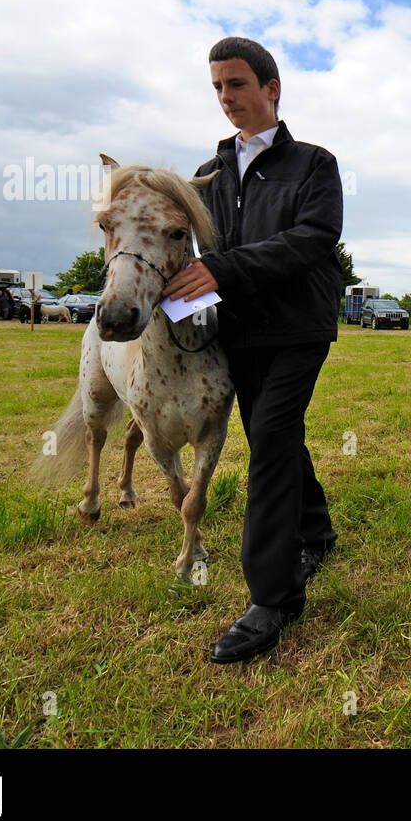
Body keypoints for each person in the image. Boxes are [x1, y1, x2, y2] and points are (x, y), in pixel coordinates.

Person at [162, 36, 343, 664]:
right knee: (279, 436)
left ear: (271, 89)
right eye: (216, 87)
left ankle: (273, 599)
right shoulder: (206, 175)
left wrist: (225, 269)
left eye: (236, 84)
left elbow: (314, 238)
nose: (225, 98)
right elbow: (188, 250)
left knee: (267, 444)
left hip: (299, 329)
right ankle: (316, 531)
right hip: (235, 332)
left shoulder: (314, 165)